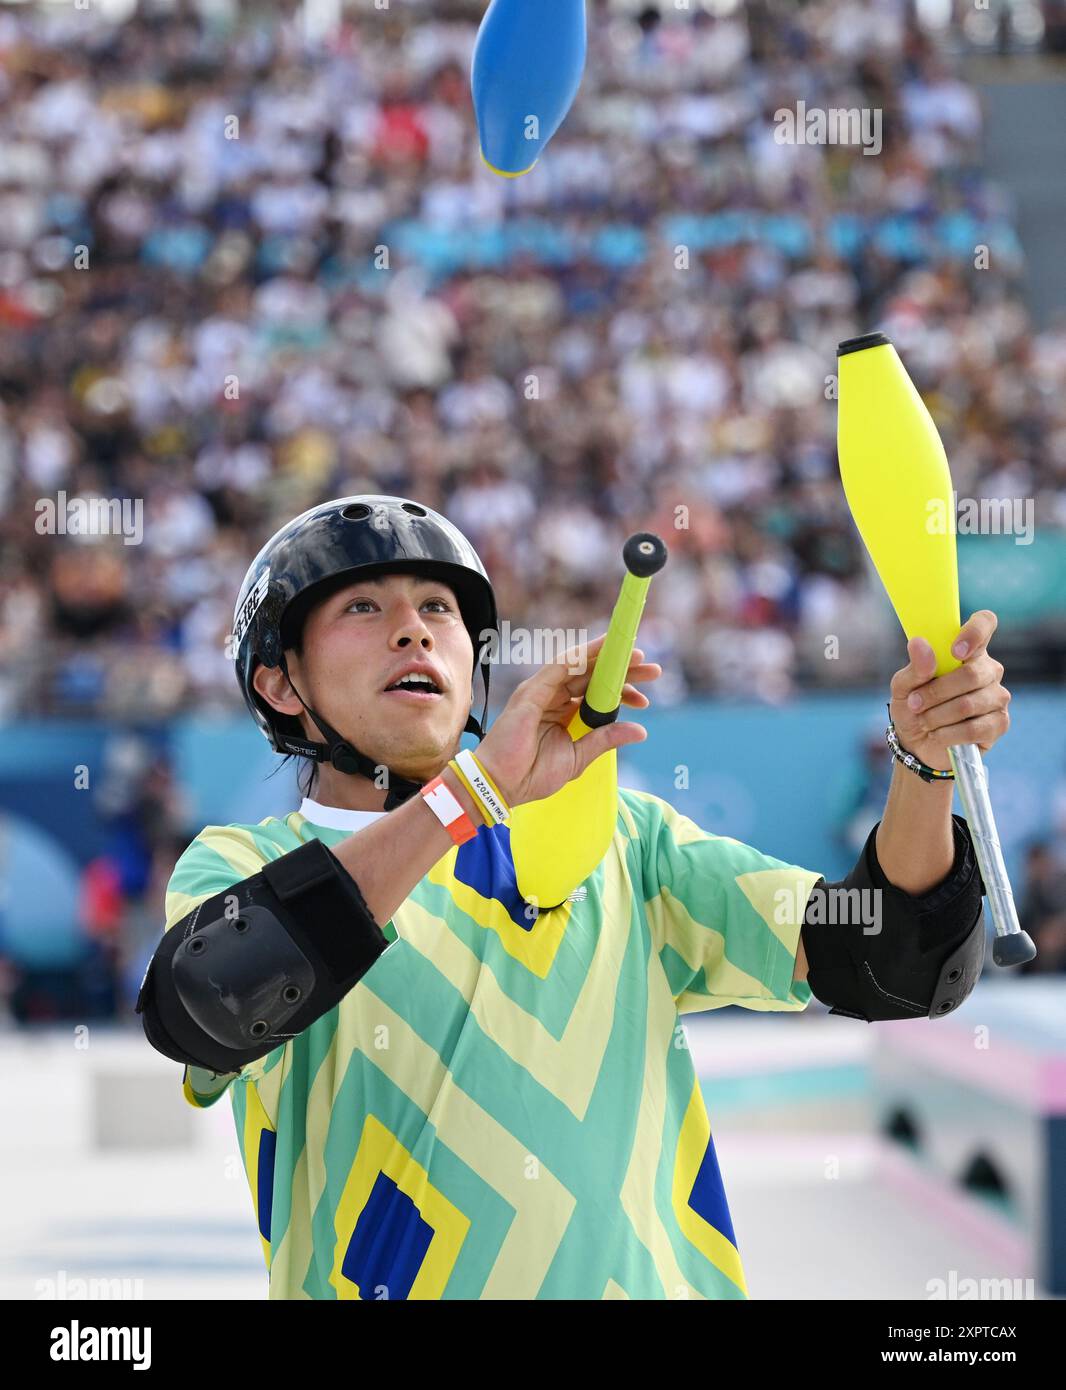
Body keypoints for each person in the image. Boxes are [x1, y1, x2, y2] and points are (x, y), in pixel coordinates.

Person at [138, 494, 1011, 1300]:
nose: (414, 629)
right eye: (364, 607)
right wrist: (472, 795)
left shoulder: (630, 841)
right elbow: (207, 1002)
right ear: (280, 684)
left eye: (438, 609)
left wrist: (922, 760)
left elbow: (890, 958)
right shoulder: (242, 866)